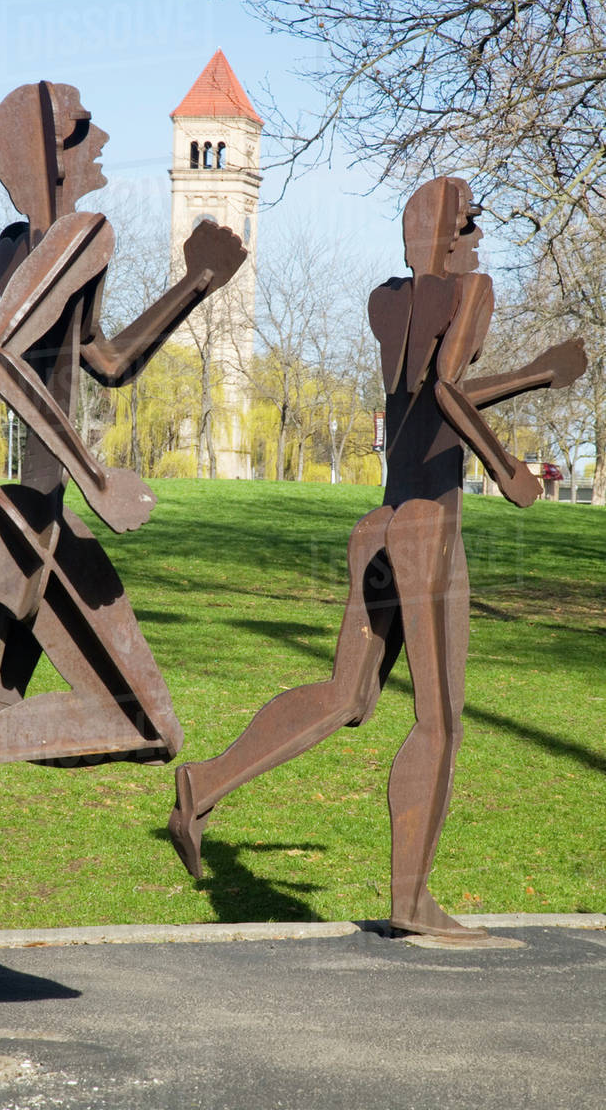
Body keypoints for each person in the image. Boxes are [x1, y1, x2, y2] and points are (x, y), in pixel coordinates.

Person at [0, 81, 246, 1062]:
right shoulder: (84, 229)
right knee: (149, 722)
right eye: (84, 127)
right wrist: (94, 478)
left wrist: (193, 287)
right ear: (51, 150)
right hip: (30, 530)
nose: (105, 135)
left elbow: (100, 362)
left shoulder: (24, 244)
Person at [168, 176, 586, 939]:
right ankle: (410, 902)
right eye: (468, 226)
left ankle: (201, 786)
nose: (476, 242)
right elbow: (449, 392)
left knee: (346, 697)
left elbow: (424, 390)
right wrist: (512, 454)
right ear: (445, 231)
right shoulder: (472, 291)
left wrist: (522, 388)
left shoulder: (387, 301)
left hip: (380, 522)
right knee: (440, 721)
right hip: (427, 529)